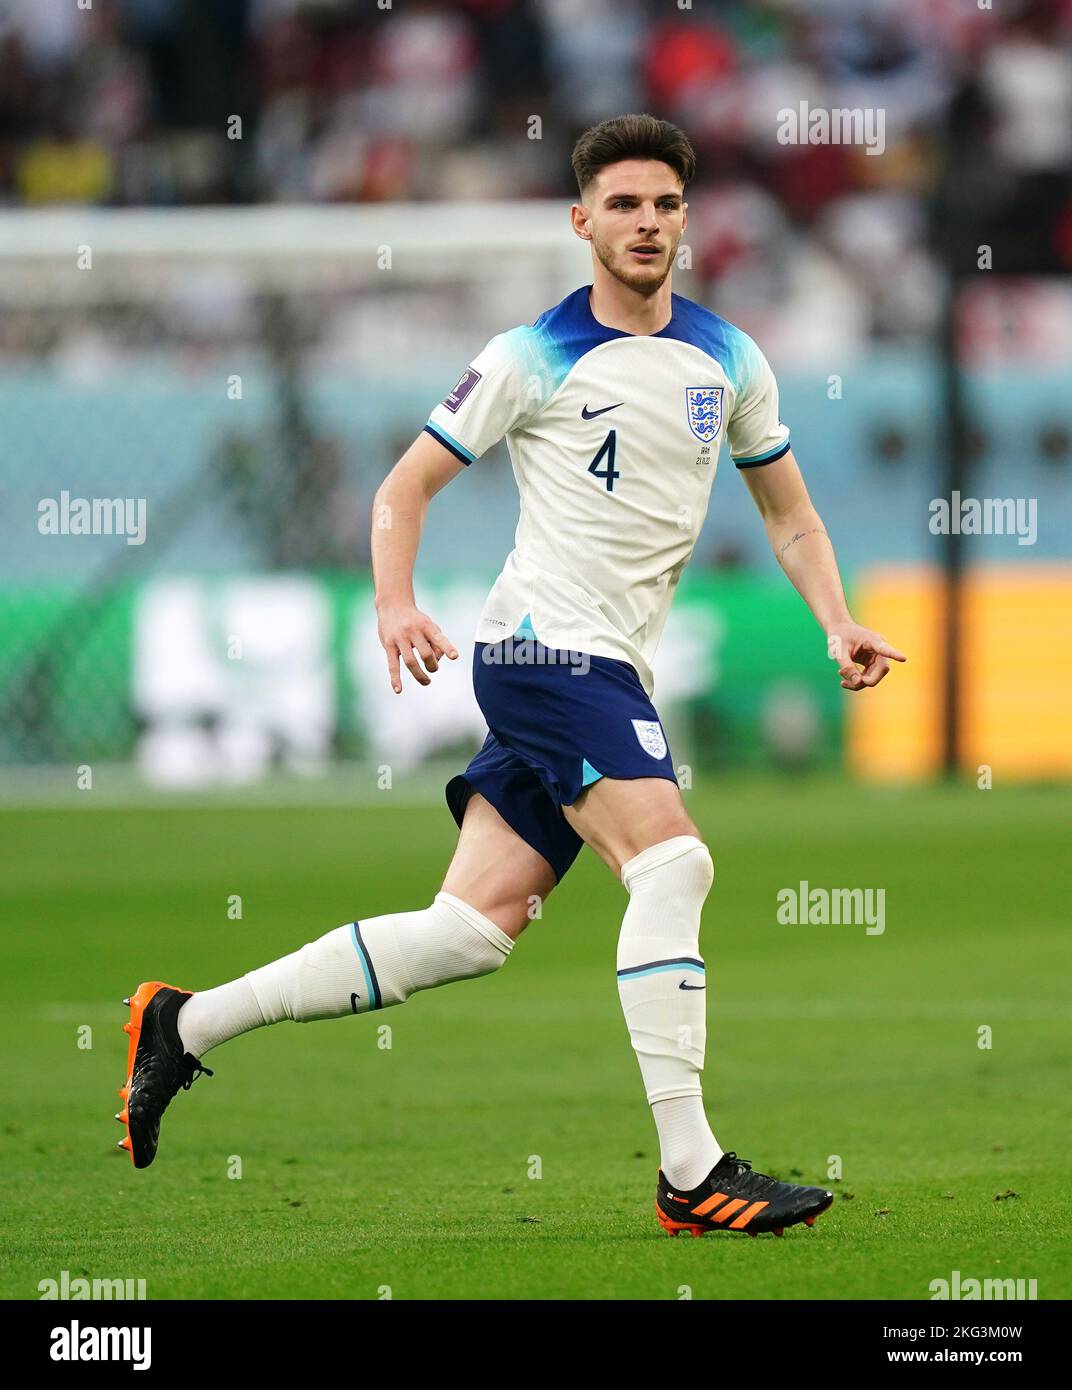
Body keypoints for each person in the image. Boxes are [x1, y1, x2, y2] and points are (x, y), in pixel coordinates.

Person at [117, 114, 904, 1239]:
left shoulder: (730, 357)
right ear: (582, 220)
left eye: (666, 205)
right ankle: (692, 1172)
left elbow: (791, 516)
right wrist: (395, 601)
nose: (647, 224)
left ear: (689, 222)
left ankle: (181, 1026)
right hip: (542, 653)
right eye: (624, 205)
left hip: (607, 662)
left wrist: (835, 622)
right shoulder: (528, 352)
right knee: (674, 862)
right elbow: (403, 489)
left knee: (468, 932)